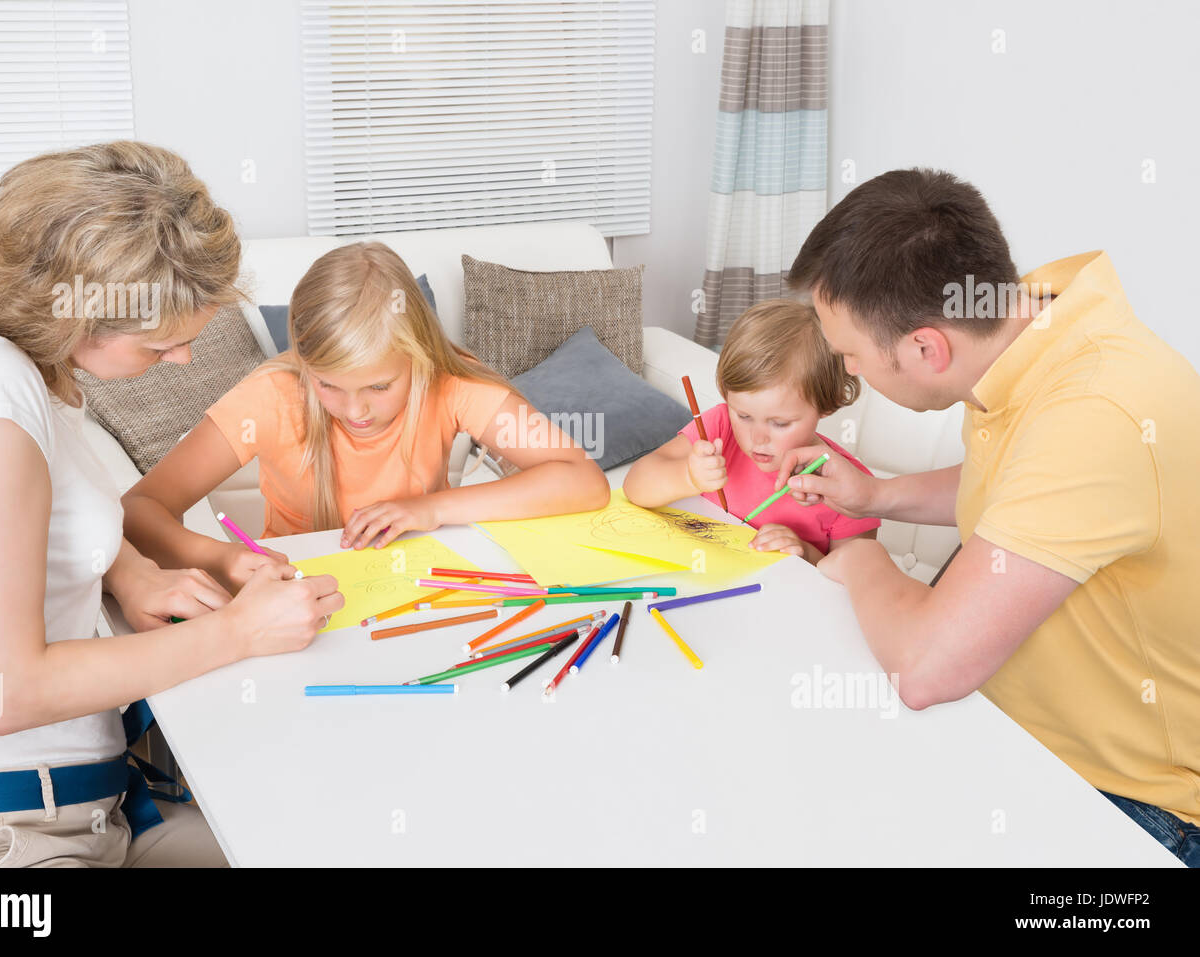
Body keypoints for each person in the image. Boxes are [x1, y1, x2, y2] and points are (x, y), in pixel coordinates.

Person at [0, 141, 341, 867]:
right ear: (76, 316)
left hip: (87, 803)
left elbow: (37, 523)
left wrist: (129, 570)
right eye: (162, 344)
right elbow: (8, 692)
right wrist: (240, 632)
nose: (184, 361)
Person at [773, 167, 1200, 865]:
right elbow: (1020, 489)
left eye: (849, 354)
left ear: (924, 349)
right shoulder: (1026, 324)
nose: (847, 369)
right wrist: (875, 497)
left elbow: (924, 669)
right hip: (1026, 735)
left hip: (1139, 805)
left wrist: (859, 554)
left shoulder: (1096, 414)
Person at [122, 241, 611, 586]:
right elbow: (139, 510)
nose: (354, 410)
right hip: (297, 592)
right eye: (328, 385)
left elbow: (581, 480)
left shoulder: (449, 379)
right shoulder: (271, 396)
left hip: (424, 586)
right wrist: (222, 558)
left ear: (417, 358)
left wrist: (431, 509)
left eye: (379, 386)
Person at [623, 299, 879, 563]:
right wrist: (688, 476)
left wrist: (805, 553)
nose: (757, 438)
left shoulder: (852, 487)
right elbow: (635, 486)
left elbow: (857, 580)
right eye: (744, 415)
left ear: (827, 405)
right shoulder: (720, 427)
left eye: (779, 423)